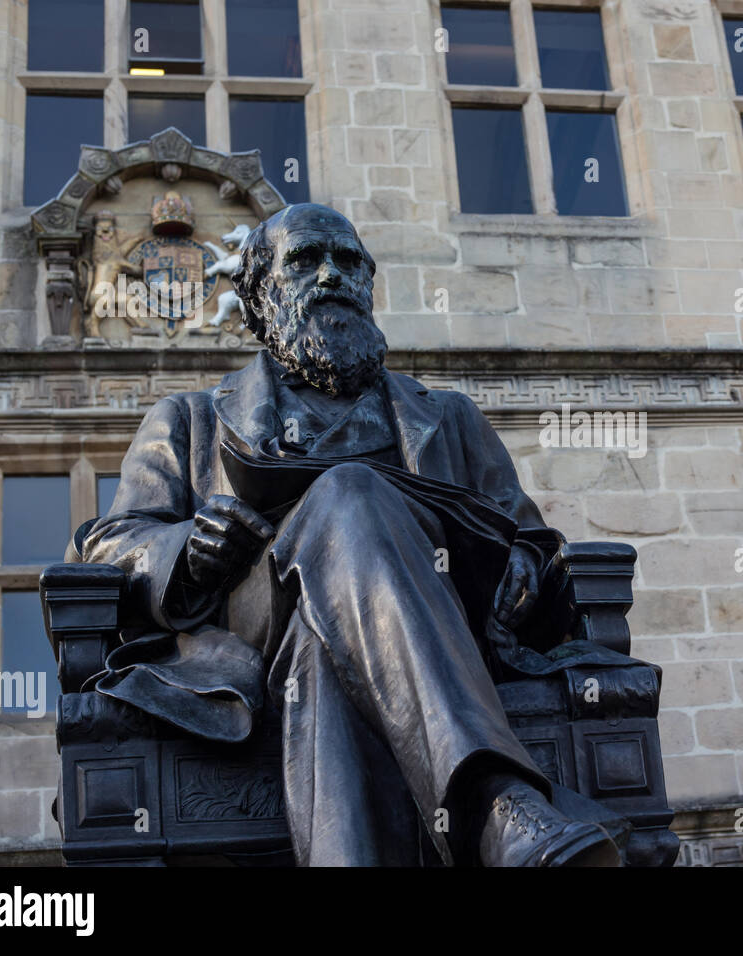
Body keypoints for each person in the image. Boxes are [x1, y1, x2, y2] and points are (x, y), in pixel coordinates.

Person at [83, 203, 623, 867]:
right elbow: (112, 547)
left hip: (412, 628)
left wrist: (520, 565)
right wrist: (188, 552)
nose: (332, 275)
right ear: (259, 294)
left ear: (368, 282)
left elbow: (528, 538)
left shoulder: (447, 417)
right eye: (306, 260)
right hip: (252, 628)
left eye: (349, 262)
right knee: (348, 491)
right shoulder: (190, 419)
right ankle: (493, 801)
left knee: (323, 647)